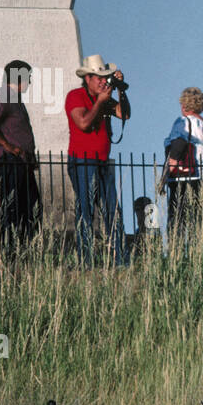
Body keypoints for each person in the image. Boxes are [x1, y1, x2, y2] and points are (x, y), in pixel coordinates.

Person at [65, 54, 130, 266]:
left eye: (106, 77)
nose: (103, 81)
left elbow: (124, 114)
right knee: (86, 210)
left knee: (112, 209)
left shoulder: (105, 98)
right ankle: (86, 259)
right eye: (99, 77)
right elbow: (83, 123)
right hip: (83, 162)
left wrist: (121, 89)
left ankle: (120, 260)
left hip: (102, 162)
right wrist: (100, 103)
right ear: (88, 78)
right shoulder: (75, 96)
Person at [0, 59, 41, 252]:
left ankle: (22, 250)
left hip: (21, 162)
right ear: (19, 78)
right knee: (14, 208)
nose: (29, 82)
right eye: (27, 77)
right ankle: (10, 251)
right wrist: (6, 144)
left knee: (29, 208)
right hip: (11, 161)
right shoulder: (5, 94)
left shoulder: (13, 97)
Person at [162, 86, 203, 250]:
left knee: (177, 222)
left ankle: (176, 255)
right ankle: (199, 255)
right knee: (199, 222)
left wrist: (164, 176)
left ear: (184, 105)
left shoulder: (182, 123)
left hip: (184, 179)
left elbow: (178, 147)